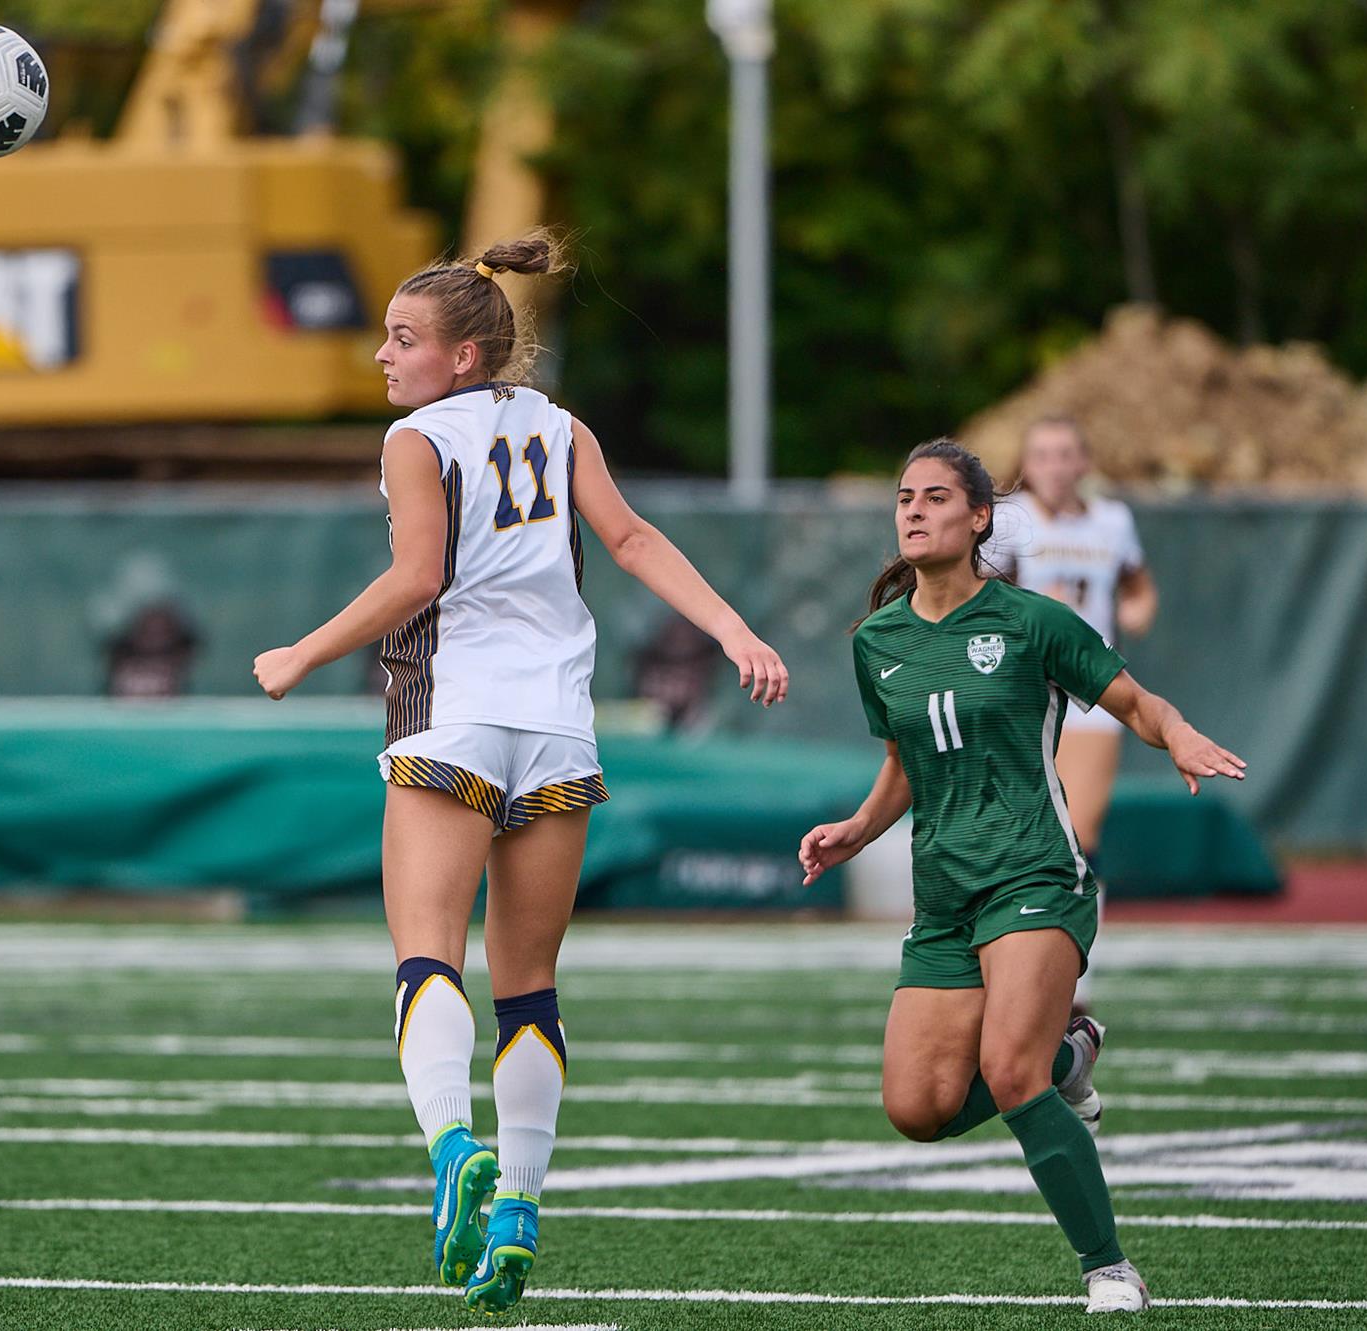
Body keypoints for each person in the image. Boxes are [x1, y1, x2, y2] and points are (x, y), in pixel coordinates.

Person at [252, 230, 788, 1316]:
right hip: (556, 729)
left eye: (402, 339)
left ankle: (453, 1149)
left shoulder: (416, 437)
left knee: (424, 961)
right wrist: (735, 631)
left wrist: (301, 652)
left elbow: (415, 576)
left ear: (460, 357)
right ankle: (520, 1210)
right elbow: (632, 540)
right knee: (530, 989)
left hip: (453, 719)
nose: (382, 357)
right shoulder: (562, 425)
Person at [797, 438, 1242, 1315]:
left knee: (1008, 1071)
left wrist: (1178, 732)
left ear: (979, 517)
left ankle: (1108, 1268)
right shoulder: (877, 641)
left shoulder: (1032, 621)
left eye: (934, 497)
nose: (914, 510)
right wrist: (856, 827)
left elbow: (1134, 701)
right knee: (916, 1108)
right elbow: (905, 764)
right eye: (903, 497)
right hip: (945, 892)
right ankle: (1072, 1052)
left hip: (1037, 870)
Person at [990, 417, 1157, 1012]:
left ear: (1083, 462)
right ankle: (1005, 964)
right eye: (1042, 455)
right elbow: (982, 593)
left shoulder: (1112, 519)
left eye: (1065, 454)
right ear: (1026, 463)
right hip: (1022, 695)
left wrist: (1137, 610)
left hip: (1090, 692)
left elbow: (1138, 585)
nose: (1054, 466)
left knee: (1078, 835)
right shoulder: (1009, 519)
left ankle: (1073, 977)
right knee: (1015, 834)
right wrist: (1034, 608)